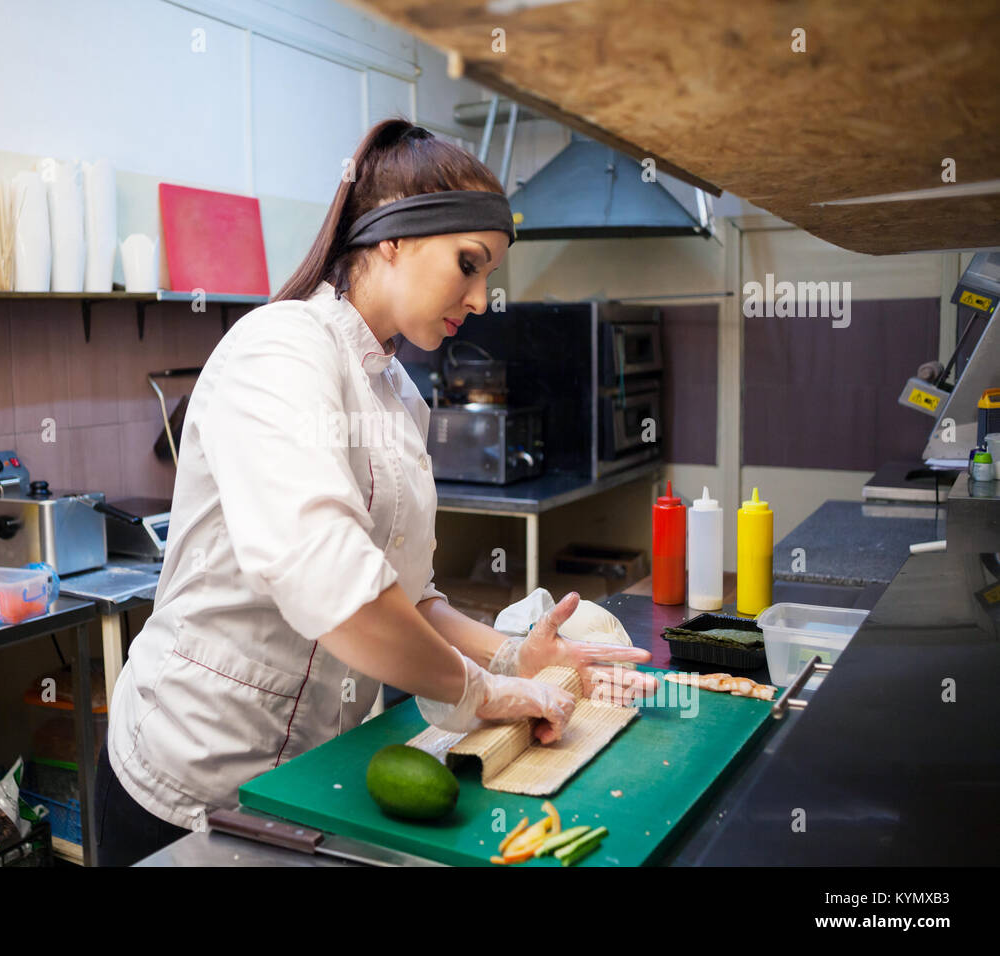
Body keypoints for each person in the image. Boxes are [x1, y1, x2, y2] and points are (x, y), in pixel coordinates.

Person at [96, 118, 657, 866]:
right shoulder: (280, 349)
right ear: (389, 238)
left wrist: (515, 656)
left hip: (307, 780)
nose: (483, 299)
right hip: (187, 784)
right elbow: (338, 589)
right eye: (469, 264)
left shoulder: (400, 397)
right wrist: (479, 694)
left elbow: (409, 596)